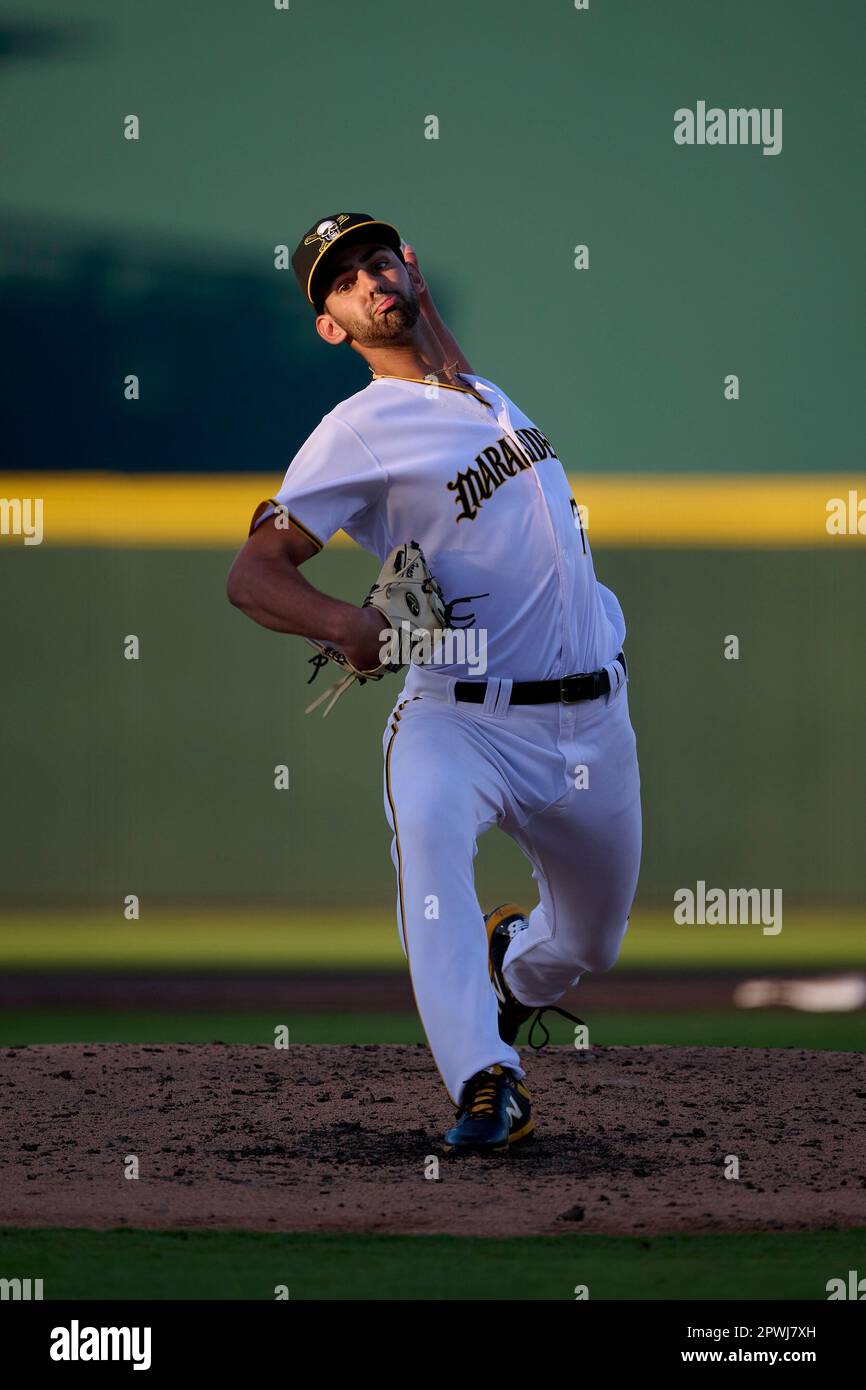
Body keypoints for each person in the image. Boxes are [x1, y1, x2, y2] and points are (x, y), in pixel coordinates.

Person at [227, 212, 642, 1154]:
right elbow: (252, 573)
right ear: (330, 325)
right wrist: (346, 623)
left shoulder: (484, 394)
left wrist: (424, 298)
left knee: (588, 945)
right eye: (344, 283)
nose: (370, 281)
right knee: (429, 854)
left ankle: (511, 965)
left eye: (379, 261)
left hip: (594, 721)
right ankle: (485, 1078)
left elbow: (436, 349)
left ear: (409, 271)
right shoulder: (358, 431)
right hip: (460, 720)